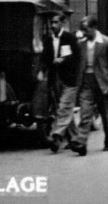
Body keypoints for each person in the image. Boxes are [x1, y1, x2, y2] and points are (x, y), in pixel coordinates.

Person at [69, 16, 108, 155]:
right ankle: (81, 143)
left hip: (103, 85)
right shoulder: (81, 44)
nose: (83, 32)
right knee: (85, 115)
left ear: (94, 27)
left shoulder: (107, 42)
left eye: (86, 29)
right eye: (82, 29)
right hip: (86, 83)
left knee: (106, 117)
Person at [43, 12, 79, 153]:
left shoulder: (70, 38)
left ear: (62, 23)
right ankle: (75, 140)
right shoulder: (48, 40)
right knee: (64, 108)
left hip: (69, 78)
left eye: (56, 22)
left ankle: (56, 135)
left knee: (64, 107)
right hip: (55, 78)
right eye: (51, 22)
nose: (53, 25)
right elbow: (45, 58)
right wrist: (42, 71)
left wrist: (63, 60)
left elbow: (76, 56)